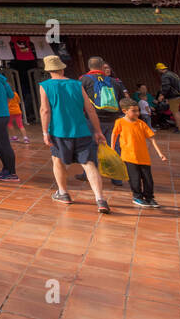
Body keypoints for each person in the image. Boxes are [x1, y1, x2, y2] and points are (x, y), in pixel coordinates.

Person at [40, 54, 111, 213]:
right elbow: (90, 108)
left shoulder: (45, 85)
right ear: (62, 68)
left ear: (48, 70)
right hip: (81, 129)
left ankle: (63, 193)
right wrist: (98, 131)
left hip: (58, 131)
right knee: (89, 164)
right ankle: (100, 199)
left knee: (57, 160)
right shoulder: (77, 84)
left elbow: (45, 110)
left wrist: (45, 132)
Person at [79, 56, 126, 186]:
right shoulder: (114, 81)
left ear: (89, 67)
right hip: (113, 119)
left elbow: (78, 99)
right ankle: (116, 177)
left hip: (93, 119)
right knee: (114, 146)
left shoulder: (84, 80)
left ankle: (89, 174)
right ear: (101, 67)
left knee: (91, 147)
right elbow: (122, 100)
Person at [111, 100, 165, 207]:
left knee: (148, 180)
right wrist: (112, 149)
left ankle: (149, 198)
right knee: (134, 179)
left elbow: (152, 138)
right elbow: (114, 134)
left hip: (143, 157)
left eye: (138, 111)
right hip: (128, 157)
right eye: (134, 111)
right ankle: (137, 197)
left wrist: (160, 153)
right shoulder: (119, 122)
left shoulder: (141, 123)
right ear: (125, 111)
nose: (137, 113)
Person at [156, 62, 180, 132]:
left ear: (160, 69)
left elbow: (166, 86)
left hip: (175, 96)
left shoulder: (165, 76)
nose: (157, 71)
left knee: (175, 112)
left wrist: (162, 95)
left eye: (157, 70)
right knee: (175, 111)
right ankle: (178, 127)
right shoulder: (172, 74)